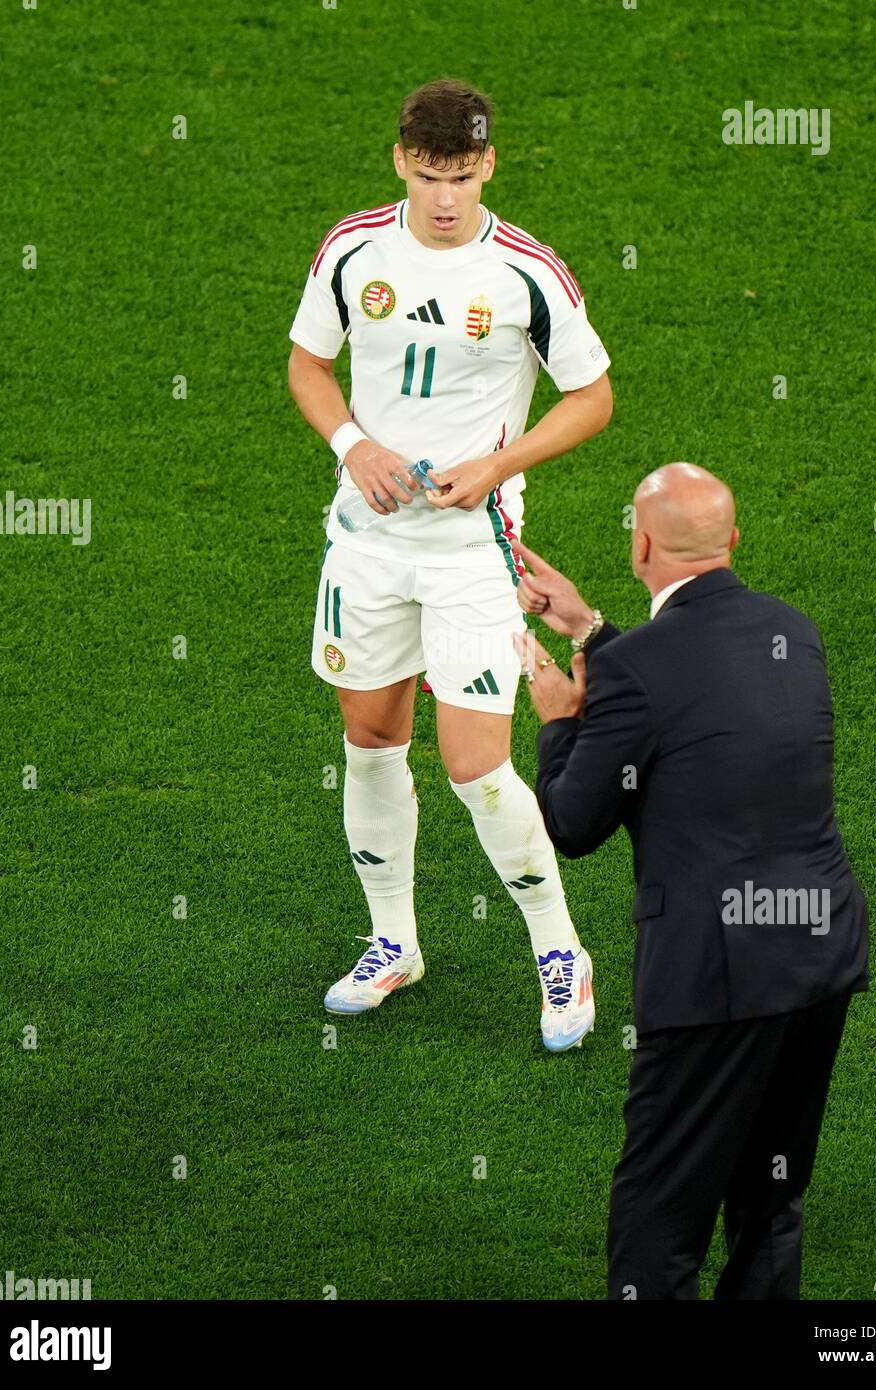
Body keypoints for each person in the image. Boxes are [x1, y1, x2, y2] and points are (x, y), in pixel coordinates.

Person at [287, 78, 613, 1050]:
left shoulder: (526, 274)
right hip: (369, 540)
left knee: (476, 765)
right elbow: (307, 363)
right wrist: (355, 444)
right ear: (400, 161)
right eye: (429, 175)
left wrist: (499, 464)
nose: (444, 197)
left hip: (474, 548)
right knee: (371, 739)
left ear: (488, 166)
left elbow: (590, 396)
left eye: (462, 177)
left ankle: (560, 952)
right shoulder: (354, 248)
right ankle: (393, 942)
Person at [511, 461, 870, 1297]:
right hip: (818, 953)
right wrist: (590, 632)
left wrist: (562, 719)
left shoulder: (637, 668)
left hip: (714, 976)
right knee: (770, 1200)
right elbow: (696, 690)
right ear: (732, 541)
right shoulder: (794, 631)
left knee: (658, 1215)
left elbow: (572, 823)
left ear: (639, 547)